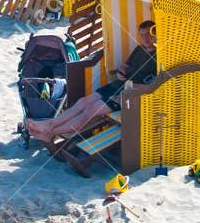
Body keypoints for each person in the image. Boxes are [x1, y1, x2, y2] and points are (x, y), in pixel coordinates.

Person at [24, 20, 158, 142]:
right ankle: (50, 124)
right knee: (83, 101)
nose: (145, 38)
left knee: (90, 110)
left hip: (131, 95)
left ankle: (51, 131)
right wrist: (121, 71)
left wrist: (129, 89)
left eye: (148, 34)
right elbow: (126, 65)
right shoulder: (140, 48)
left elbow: (155, 86)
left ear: (155, 34)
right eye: (142, 35)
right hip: (120, 85)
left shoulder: (159, 55)